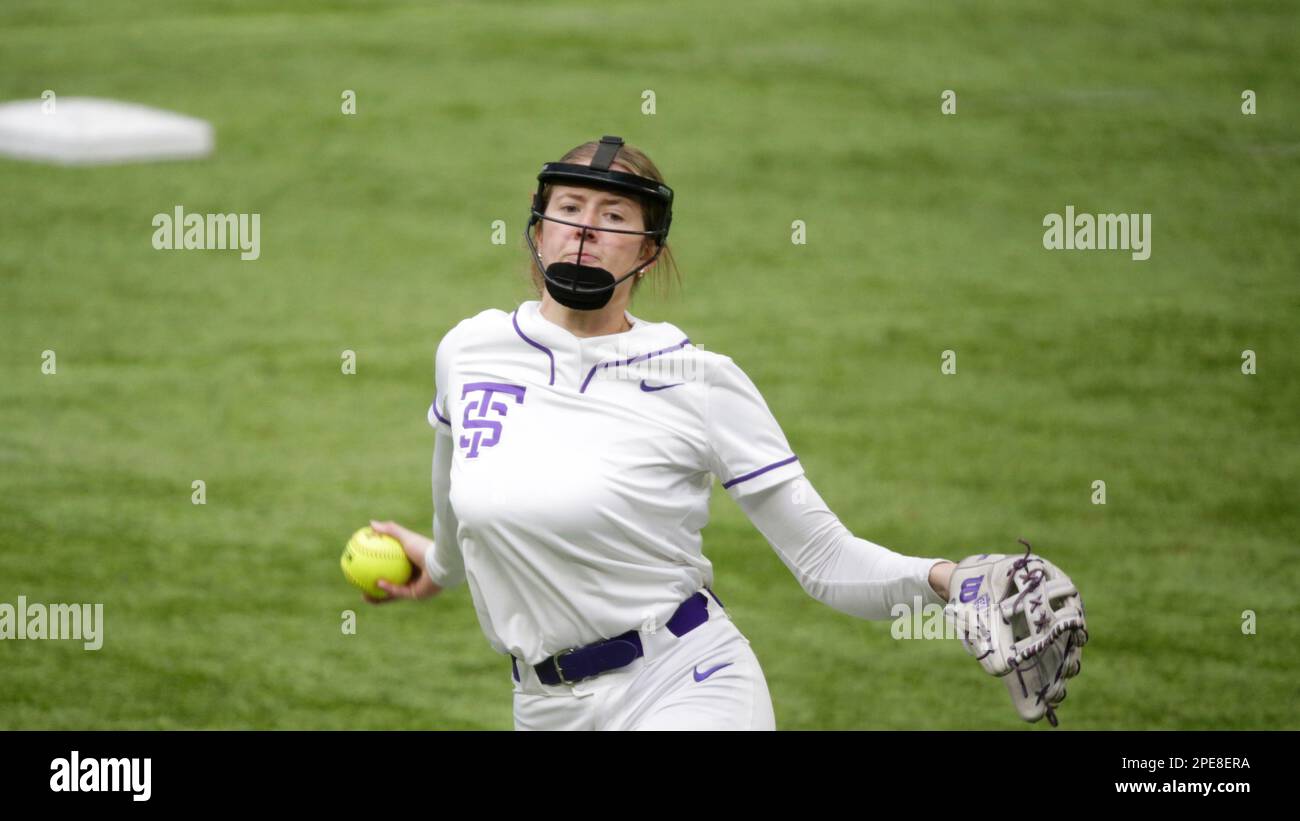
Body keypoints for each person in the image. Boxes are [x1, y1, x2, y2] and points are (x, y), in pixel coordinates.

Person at [362, 136, 1078, 730]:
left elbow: (824, 558)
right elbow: (459, 498)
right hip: (543, 708)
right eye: (570, 208)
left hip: (685, 681)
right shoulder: (470, 349)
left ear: (648, 249)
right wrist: (441, 568)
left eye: (614, 215)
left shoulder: (696, 378)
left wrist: (945, 579)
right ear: (539, 227)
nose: (586, 227)